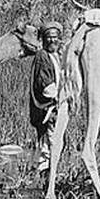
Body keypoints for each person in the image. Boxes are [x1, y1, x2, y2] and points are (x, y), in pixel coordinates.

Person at [30, 22, 65, 179]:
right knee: (48, 143)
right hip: (47, 110)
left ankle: (49, 177)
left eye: (55, 38)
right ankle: (45, 178)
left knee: (54, 143)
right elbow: (46, 85)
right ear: (43, 40)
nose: (52, 41)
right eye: (49, 38)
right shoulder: (42, 56)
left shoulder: (58, 56)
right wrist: (59, 98)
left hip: (56, 109)